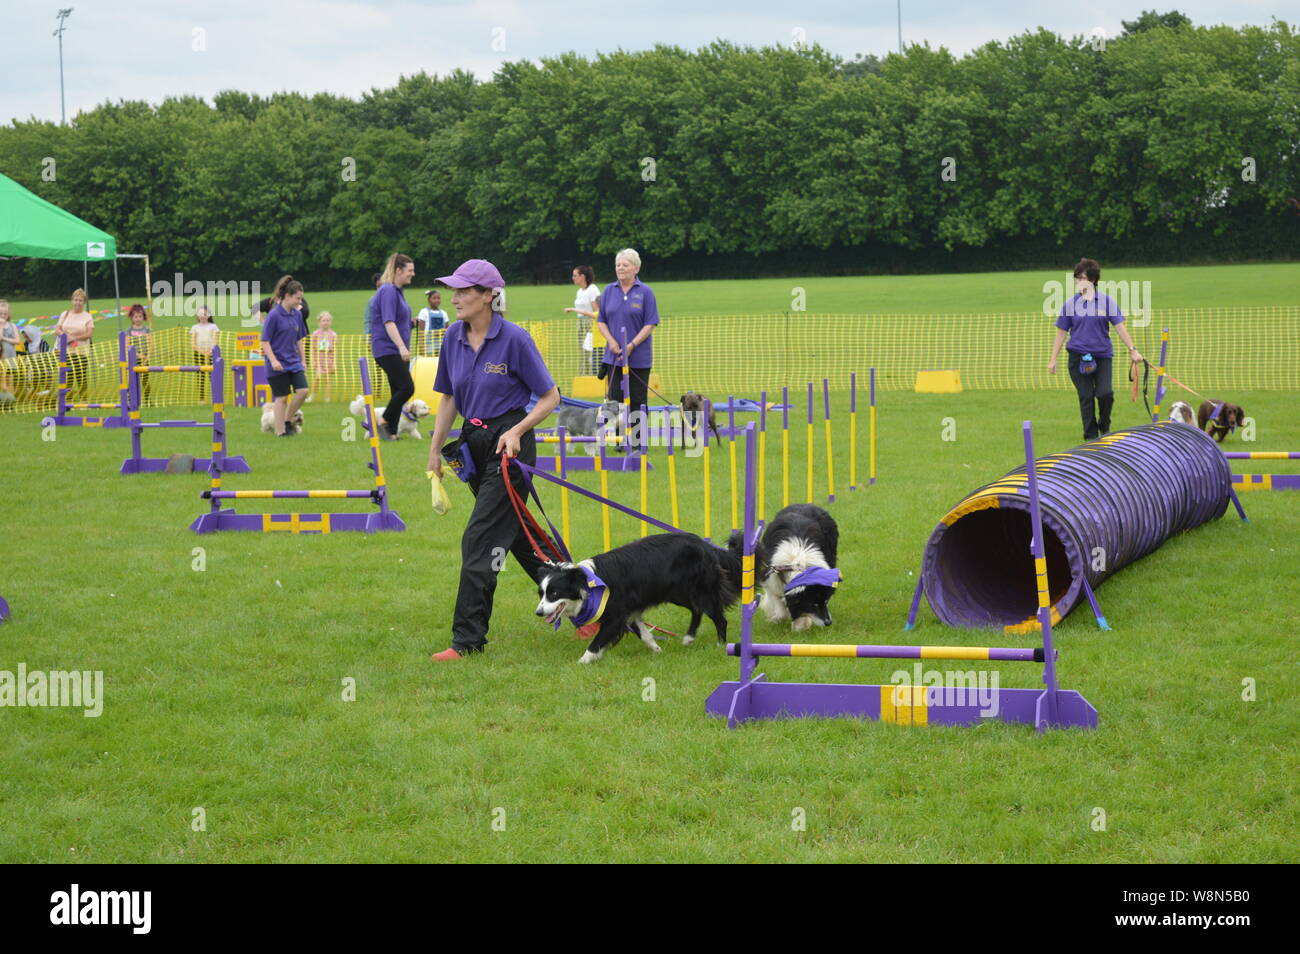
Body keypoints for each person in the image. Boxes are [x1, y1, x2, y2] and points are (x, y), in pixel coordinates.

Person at [427, 259, 561, 660]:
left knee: (481, 538)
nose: (454, 298)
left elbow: (551, 396)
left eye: (463, 291)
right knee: (517, 534)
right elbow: (448, 397)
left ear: (488, 296)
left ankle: (467, 640)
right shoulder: (451, 336)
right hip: (473, 442)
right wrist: (435, 449)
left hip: (510, 445)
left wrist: (517, 430)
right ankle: (588, 604)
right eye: (453, 291)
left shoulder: (515, 339)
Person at [1048, 258, 1143, 441]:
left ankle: (1104, 425)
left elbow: (1120, 327)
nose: (1079, 282)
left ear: (1093, 280)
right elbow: (1061, 333)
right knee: (1086, 397)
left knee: (1105, 393)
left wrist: (1133, 349)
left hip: (1102, 356)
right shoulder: (1070, 304)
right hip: (1078, 357)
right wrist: (1053, 359)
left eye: (1083, 278)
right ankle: (1091, 438)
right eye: (1077, 278)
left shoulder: (1106, 302)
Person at [596, 248, 659, 413]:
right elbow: (601, 321)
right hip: (614, 356)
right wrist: (611, 341)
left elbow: (651, 323)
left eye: (625, 265)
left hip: (639, 357)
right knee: (614, 403)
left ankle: (638, 439)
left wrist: (631, 345)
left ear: (636, 268)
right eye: (618, 265)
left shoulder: (645, 292)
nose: (620, 268)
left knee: (637, 402)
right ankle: (619, 439)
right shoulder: (609, 290)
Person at [370, 253, 416, 440]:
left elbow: (397, 319)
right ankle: (383, 420)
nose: (412, 274)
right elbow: (389, 322)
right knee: (407, 388)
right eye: (410, 270)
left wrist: (412, 323)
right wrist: (401, 347)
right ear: (398, 270)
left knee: (397, 389)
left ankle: (391, 432)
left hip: (395, 348)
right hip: (388, 349)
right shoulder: (388, 290)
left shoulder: (397, 291)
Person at [261, 279, 310, 436]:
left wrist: (303, 359)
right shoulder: (274, 315)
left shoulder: (297, 314)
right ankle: (280, 431)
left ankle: (287, 420)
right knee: (282, 398)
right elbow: (265, 341)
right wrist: (273, 360)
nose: (300, 301)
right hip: (277, 364)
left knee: (303, 391)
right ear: (288, 296)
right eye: (298, 298)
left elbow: (299, 338)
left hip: (293, 362)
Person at [53, 289, 95, 401]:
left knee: (80, 376)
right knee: (68, 376)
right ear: (72, 301)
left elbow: (89, 333)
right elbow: (57, 330)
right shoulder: (65, 314)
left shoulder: (87, 316)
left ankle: (83, 400)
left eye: (80, 300)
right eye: (76, 300)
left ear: (84, 302)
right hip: (65, 351)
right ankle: (67, 400)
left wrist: (74, 338)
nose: (78, 302)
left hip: (81, 351)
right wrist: (66, 337)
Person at [563, 265, 601, 374]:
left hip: (590, 324)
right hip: (580, 323)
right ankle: (583, 374)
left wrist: (574, 310)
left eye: (575, 275)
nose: (573, 278)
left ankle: (591, 375)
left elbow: (596, 311)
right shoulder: (579, 291)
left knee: (589, 350)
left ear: (582, 276)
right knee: (582, 351)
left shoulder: (592, 289)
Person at [190, 304, 220, 401]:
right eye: (201, 314)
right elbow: (193, 344)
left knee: (213, 376)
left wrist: (210, 351)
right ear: (198, 315)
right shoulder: (194, 327)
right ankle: (201, 399)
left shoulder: (214, 327)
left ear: (209, 315)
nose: (203, 316)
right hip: (198, 354)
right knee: (200, 376)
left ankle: (215, 397)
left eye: (205, 313)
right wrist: (202, 352)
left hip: (212, 354)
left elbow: (216, 341)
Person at [125, 304, 153, 403]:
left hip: (145, 359)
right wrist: (139, 355)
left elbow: (151, 345)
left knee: (145, 380)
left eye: (140, 316)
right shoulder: (129, 330)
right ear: (132, 317)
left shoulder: (147, 330)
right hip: (133, 359)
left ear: (143, 317)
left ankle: (148, 400)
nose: (138, 319)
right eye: (135, 316)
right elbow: (127, 346)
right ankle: (131, 400)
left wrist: (147, 357)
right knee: (132, 381)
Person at [310, 311, 337, 403]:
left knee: (327, 380)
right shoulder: (316, 334)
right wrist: (313, 361)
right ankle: (312, 395)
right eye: (324, 320)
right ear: (319, 322)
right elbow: (313, 349)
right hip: (318, 359)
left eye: (328, 320)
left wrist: (333, 363)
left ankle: (327, 397)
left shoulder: (333, 335)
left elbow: (334, 350)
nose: (326, 322)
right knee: (318, 377)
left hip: (328, 360)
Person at [416, 289, 448, 356]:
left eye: (438, 298)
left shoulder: (444, 313)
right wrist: (422, 347)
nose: (437, 300)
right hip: (428, 344)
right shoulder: (423, 312)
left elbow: (446, 331)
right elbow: (421, 331)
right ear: (429, 300)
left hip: (441, 343)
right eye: (434, 298)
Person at [0, 300, 19, 395]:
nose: (3, 316)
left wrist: (4, 338)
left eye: (5, 314)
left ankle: (9, 399)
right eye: (1, 314)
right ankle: (4, 397)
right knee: (2, 380)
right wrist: (1, 326)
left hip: (11, 356)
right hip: (1, 357)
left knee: (9, 379)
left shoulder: (13, 326)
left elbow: (17, 341)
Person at [362, 272, 383, 336]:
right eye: (378, 280)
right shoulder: (372, 301)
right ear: (376, 283)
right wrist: (367, 335)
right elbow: (368, 319)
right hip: (376, 334)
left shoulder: (393, 297)